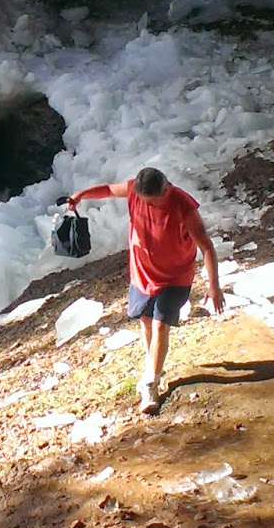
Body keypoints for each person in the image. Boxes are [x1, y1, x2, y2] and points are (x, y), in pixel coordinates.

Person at [66, 166, 223, 413]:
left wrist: (214, 285)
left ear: (166, 189)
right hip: (143, 272)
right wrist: (81, 195)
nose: (148, 205)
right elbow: (108, 189)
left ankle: (150, 382)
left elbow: (206, 248)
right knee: (146, 321)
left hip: (175, 275)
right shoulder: (133, 191)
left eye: (153, 201)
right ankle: (153, 365)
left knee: (161, 324)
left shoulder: (184, 208)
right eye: (143, 200)